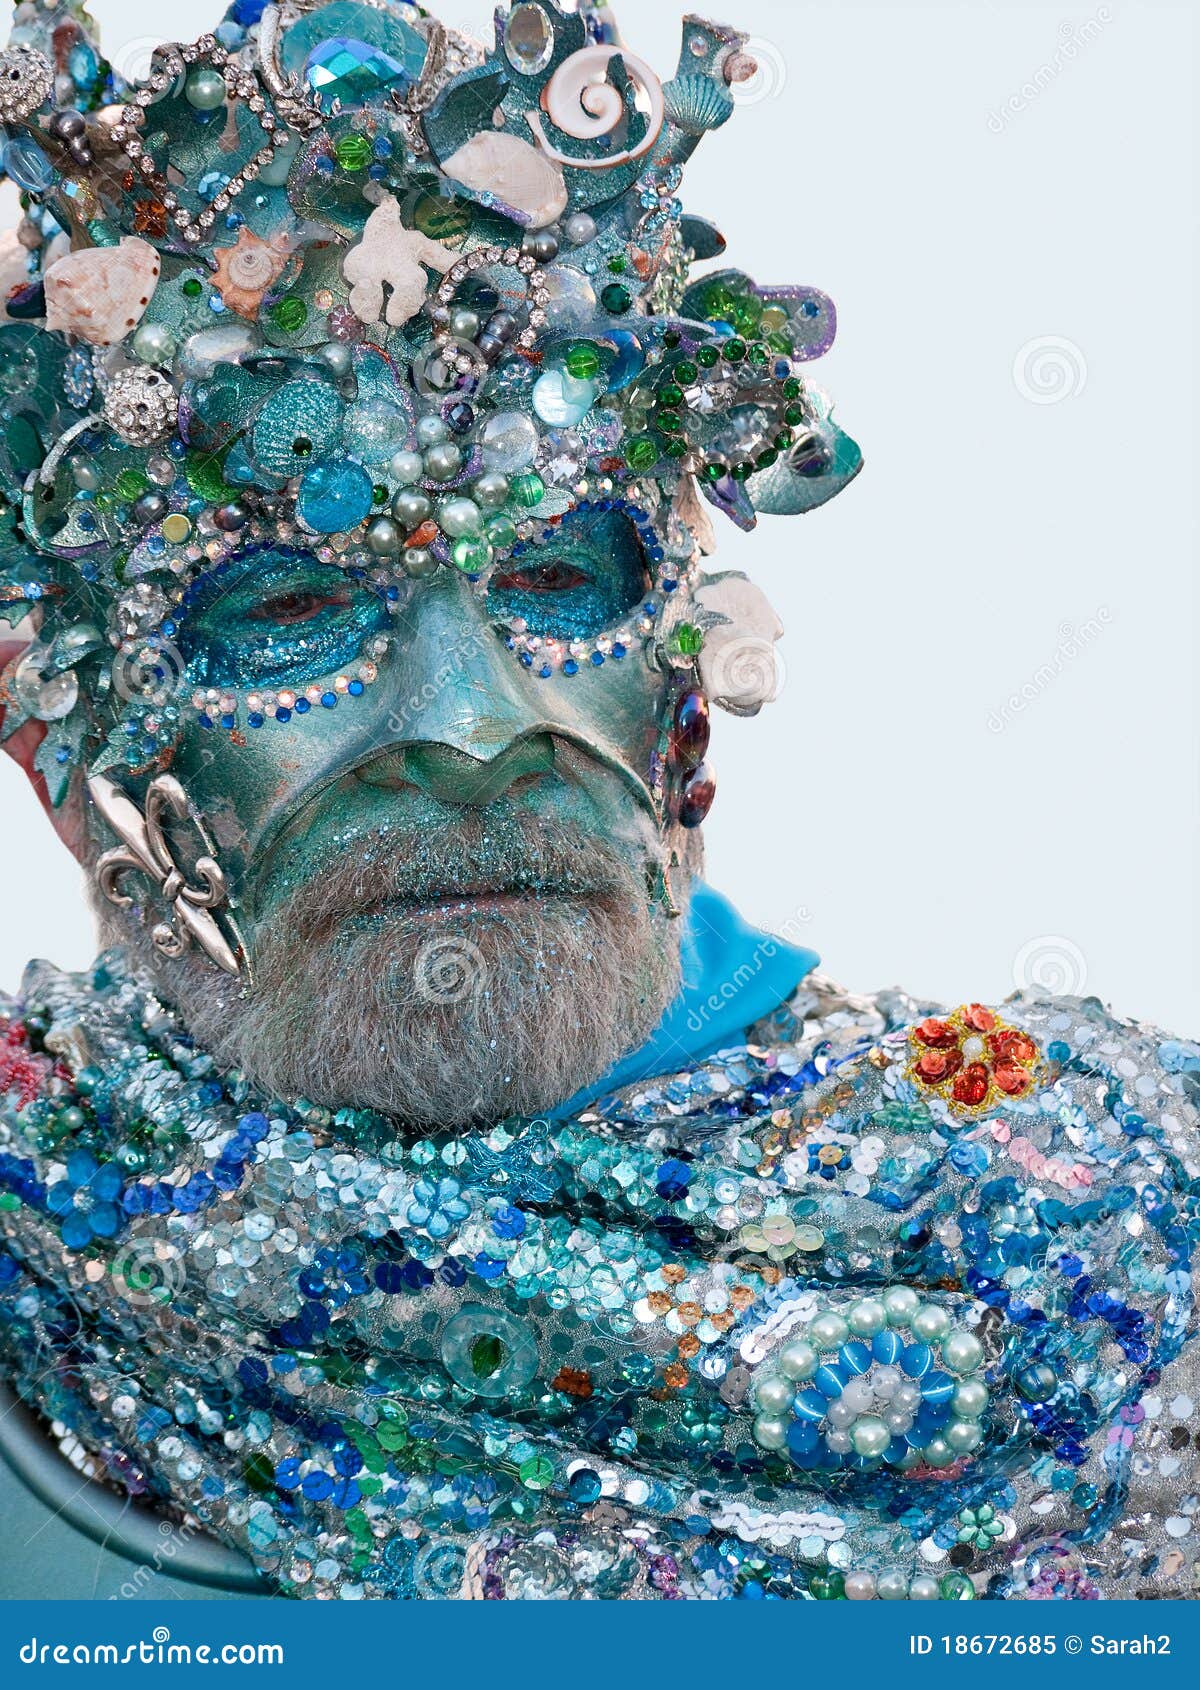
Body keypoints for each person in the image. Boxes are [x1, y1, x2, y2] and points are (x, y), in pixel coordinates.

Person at [0, 0, 1195, 1603]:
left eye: (564, 577)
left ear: (691, 665)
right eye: (283, 609)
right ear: (45, 716)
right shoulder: (41, 1252)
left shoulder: (1128, 1214)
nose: (481, 728)